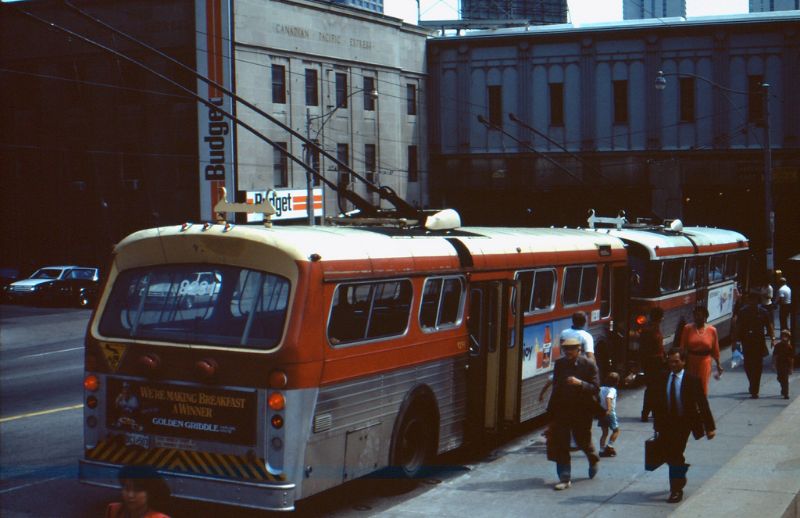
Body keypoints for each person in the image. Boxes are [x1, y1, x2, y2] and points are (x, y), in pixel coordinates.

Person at [652, 347, 716, 503]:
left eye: (676, 361)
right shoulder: (662, 377)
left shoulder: (692, 380)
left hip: (684, 424)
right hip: (666, 424)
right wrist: (655, 422)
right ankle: (680, 473)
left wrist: (710, 427)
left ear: (683, 361)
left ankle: (676, 490)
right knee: (671, 455)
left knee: (674, 454)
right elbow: (655, 401)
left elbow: (702, 404)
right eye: (670, 361)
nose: (672, 364)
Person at [545, 337, 600, 490]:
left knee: (583, 440)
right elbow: (556, 386)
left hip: (582, 410)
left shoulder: (589, 365)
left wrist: (580, 383)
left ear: (579, 349)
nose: (568, 352)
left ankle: (593, 458)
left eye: (571, 349)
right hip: (563, 409)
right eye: (565, 349)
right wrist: (551, 411)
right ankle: (564, 477)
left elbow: (596, 388)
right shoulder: (560, 364)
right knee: (561, 442)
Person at [735, 292, 774, 398]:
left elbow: (769, 326)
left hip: (759, 342)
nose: (752, 302)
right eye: (750, 300)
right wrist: (736, 342)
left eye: (754, 300)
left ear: (757, 301)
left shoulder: (763, 312)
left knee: (758, 366)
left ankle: (754, 389)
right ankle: (752, 382)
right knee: (747, 365)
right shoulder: (743, 312)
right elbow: (738, 327)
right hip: (746, 342)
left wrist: (772, 338)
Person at [679, 306, 723, 395]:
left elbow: (715, 349)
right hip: (690, 361)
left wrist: (718, 365)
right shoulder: (688, 328)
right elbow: (682, 347)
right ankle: (692, 406)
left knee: (702, 385)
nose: (697, 318)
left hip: (705, 362)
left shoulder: (712, 330)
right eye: (695, 315)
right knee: (690, 385)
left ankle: (701, 407)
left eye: (699, 315)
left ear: (705, 317)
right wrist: (681, 362)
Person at [106, 465, 171, 518]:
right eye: (127, 489)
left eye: (137, 490)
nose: (130, 495)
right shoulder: (114, 510)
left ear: (149, 492)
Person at [640, 307, 666, 422]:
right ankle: (646, 412)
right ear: (660, 318)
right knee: (652, 388)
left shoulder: (652, 328)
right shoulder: (650, 329)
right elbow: (646, 348)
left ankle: (652, 411)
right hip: (653, 362)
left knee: (654, 388)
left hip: (653, 361)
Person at [598, 372, 620, 457]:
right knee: (616, 430)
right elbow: (609, 398)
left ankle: (601, 450)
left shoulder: (601, 389)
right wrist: (609, 409)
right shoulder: (612, 390)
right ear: (616, 382)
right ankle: (609, 446)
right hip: (609, 413)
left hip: (601, 412)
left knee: (604, 433)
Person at [773, 329, 794, 399]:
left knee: (785, 379)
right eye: (783, 336)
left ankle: (786, 393)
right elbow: (775, 356)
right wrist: (774, 364)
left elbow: (791, 358)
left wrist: (791, 368)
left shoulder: (789, 347)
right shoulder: (778, 346)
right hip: (779, 364)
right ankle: (783, 388)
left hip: (786, 365)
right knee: (780, 378)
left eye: (786, 336)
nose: (785, 338)